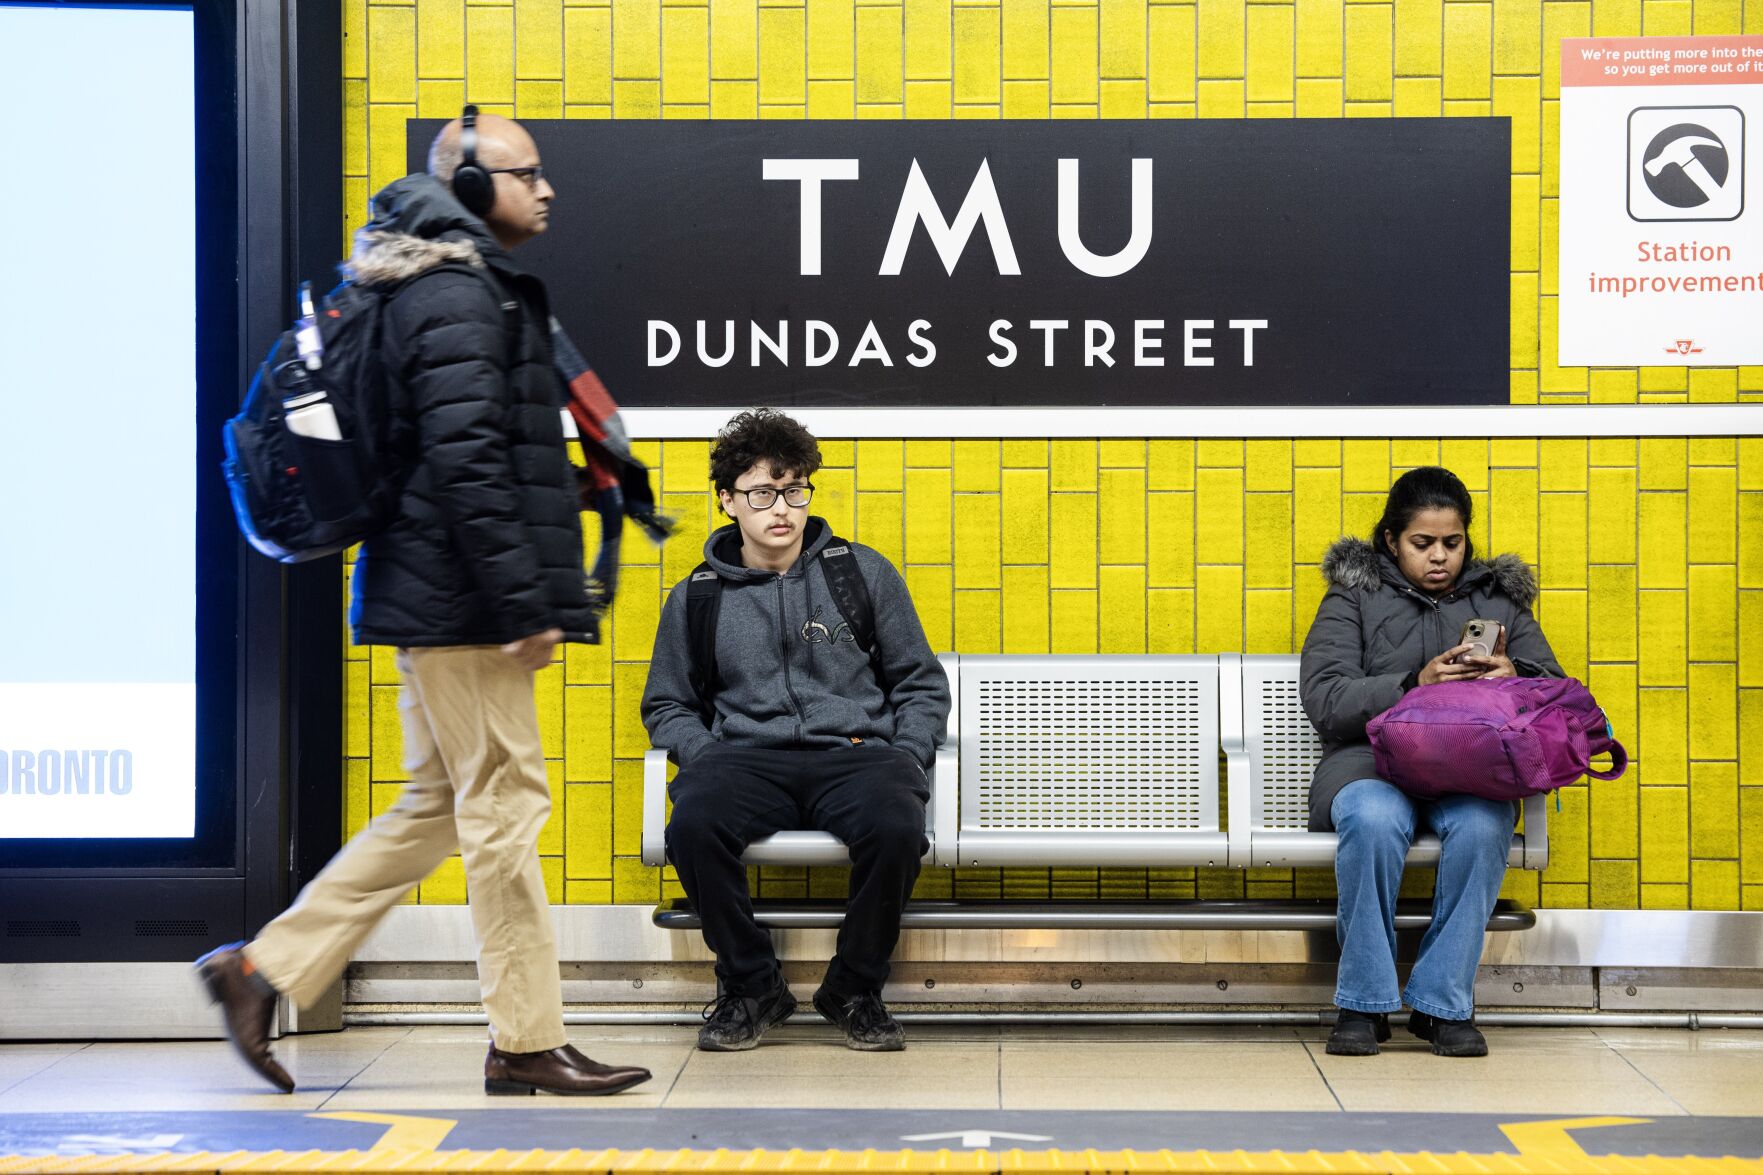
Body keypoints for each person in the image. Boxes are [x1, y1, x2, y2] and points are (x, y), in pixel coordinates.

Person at [196, 109, 652, 1098]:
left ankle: (259, 968)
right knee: (505, 808)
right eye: (527, 174)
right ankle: (525, 1038)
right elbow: (463, 460)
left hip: (433, 591)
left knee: (437, 806)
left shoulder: (437, 286)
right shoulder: (455, 294)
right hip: (463, 602)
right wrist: (521, 599)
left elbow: (471, 450)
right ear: (473, 188)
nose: (547, 189)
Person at [642, 408, 951, 1053]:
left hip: (856, 755)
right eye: (761, 493)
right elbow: (668, 703)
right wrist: (705, 756)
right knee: (694, 826)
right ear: (728, 500)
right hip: (744, 760)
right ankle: (752, 986)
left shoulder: (860, 573)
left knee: (897, 827)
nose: (780, 508)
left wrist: (905, 755)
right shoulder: (698, 596)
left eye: (793, 491)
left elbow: (919, 682)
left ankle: (855, 989)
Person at [1300, 466, 1563, 1059]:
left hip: (1469, 766)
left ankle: (1442, 1005)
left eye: (1452, 542)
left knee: (1484, 824)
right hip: (1370, 761)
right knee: (1371, 820)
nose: (1439, 556)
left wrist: (1512, 675)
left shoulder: (1497, 598)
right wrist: (1412, 683)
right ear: (1391, 540)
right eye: (1423, 543)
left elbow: (1553, 691)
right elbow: (1326, 698)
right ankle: (1362, 1003)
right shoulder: (1353, 597)